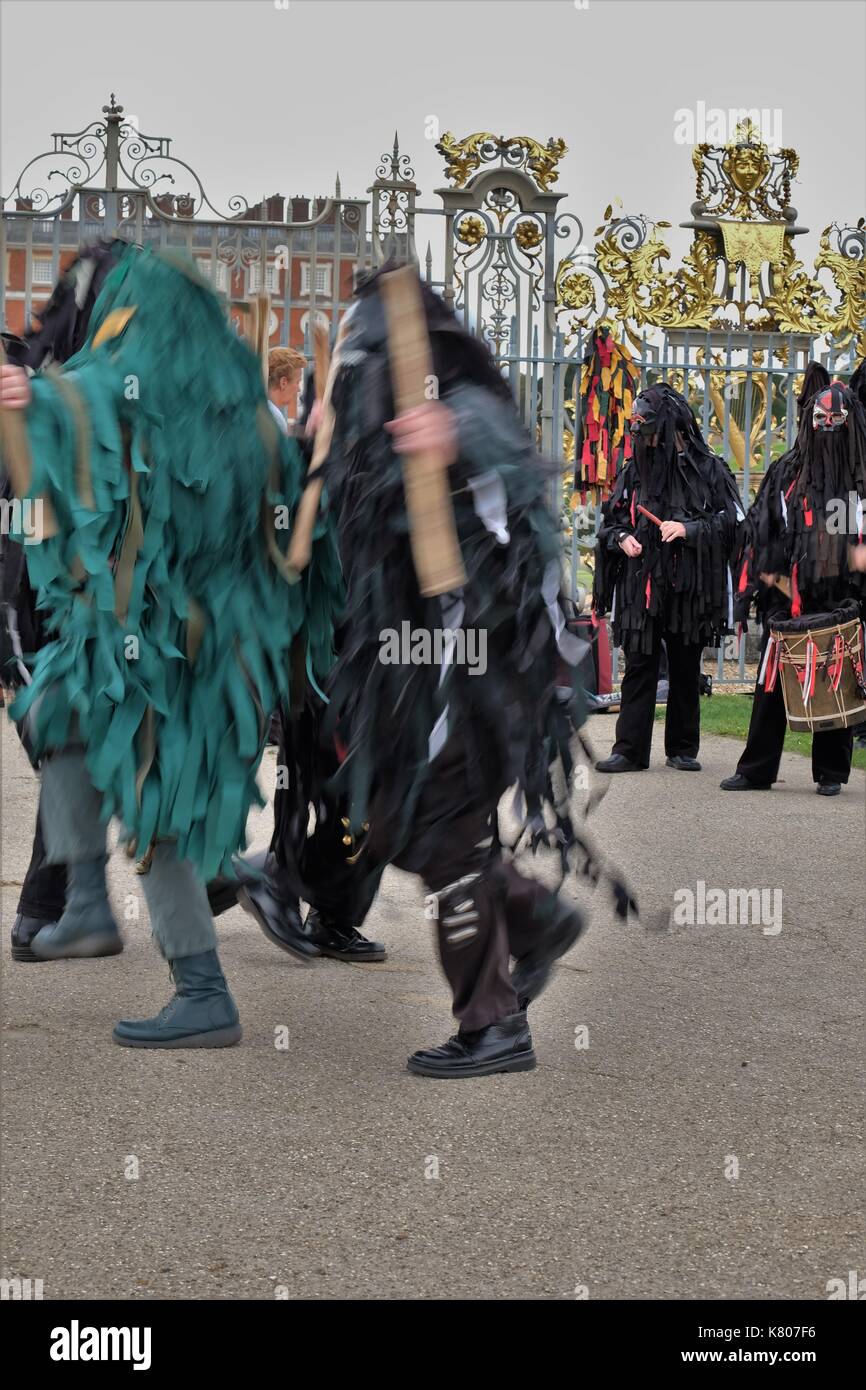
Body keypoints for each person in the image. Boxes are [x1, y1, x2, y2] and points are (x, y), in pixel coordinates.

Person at [294, 265, 634, 1079]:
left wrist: (450, 432)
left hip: (476, 675)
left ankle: (493, 1024)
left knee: (445, 840)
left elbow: (510, 463)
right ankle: (534, 914)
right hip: (410, 681)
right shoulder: (371, 424)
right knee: (394, 824)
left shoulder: (468, 403)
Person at [0, 242, 340, 1046]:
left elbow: (85, 405)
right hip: (172, 645)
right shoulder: (245, 414)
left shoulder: (145, 386)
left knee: (158, 808)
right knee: (57, 704)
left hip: (173, 649)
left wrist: (29, 394)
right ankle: (84, 899)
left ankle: (202, 991)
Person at [1, 241, 126, 961]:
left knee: (73, 747)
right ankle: (62, 903)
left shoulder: (61, 387)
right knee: (66, 748)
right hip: (32, 600)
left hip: (71, 599)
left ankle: (54, 907)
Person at [721, 363, 866, 796]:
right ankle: (756, 769)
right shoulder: (786, 474)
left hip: (843, 601)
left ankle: (831, 773)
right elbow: (763, 533)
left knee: (835, 683)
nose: (826, 426)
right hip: (790, 598)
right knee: (770, 686)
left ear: (850, 421)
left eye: (835, 420)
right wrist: (769, 587)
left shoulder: (860, 480)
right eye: (819, 418)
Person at [592, 384, 742, 774]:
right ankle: (629, 750)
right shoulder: (632, 472)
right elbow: (610, 525)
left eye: (648, 429)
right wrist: (622, 538)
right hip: (641, 585)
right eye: (637, 430)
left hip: (690, 585)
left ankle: (682, 747)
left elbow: (734, 524)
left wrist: (689, 530)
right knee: (639, 664)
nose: (642, 438)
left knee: (684, 665)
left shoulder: (710, 470)